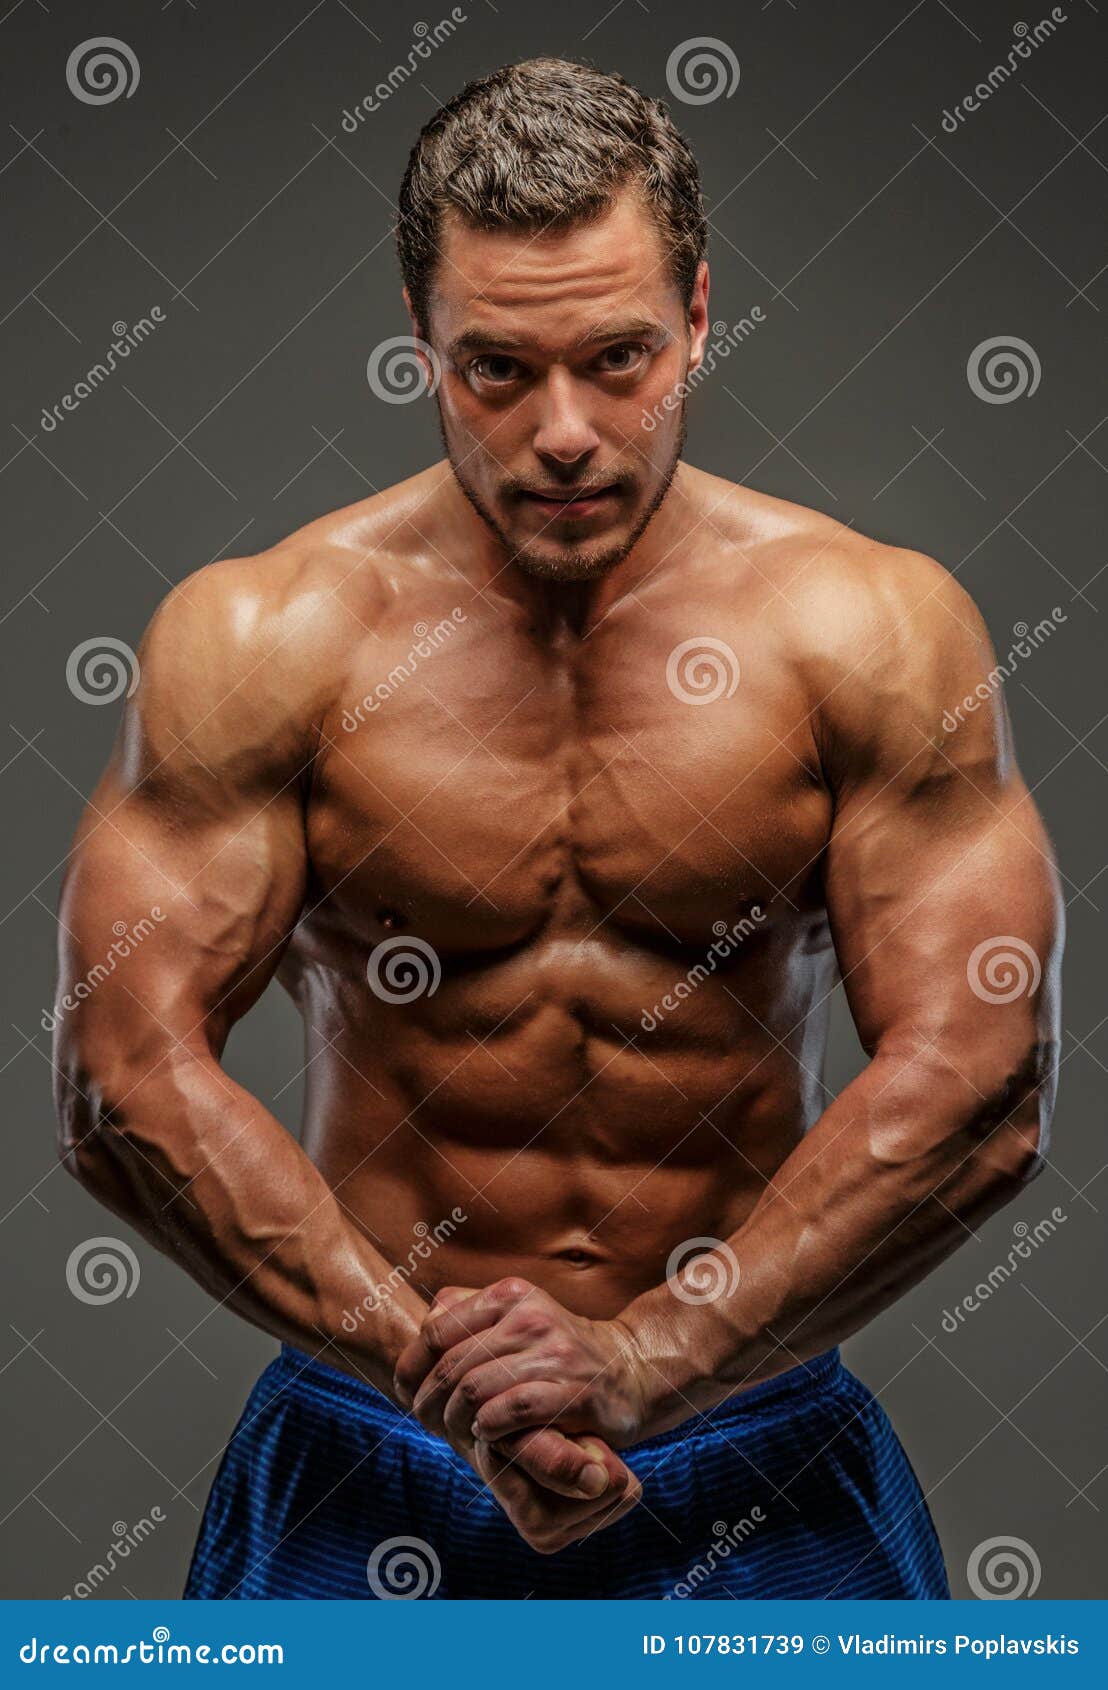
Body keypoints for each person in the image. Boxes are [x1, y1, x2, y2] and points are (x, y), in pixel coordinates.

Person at [54, 57, 1061, 1600]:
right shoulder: (266, 638)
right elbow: (122, 1078)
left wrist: (650, 1362)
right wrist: (448, 1383)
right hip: (371, 1439)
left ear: (704, 315)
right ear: (421, 348)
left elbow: (983, 1082)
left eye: (620, 358)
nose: (568, 432)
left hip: (752, 1440)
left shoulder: (868, 627)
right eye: (497, 370)